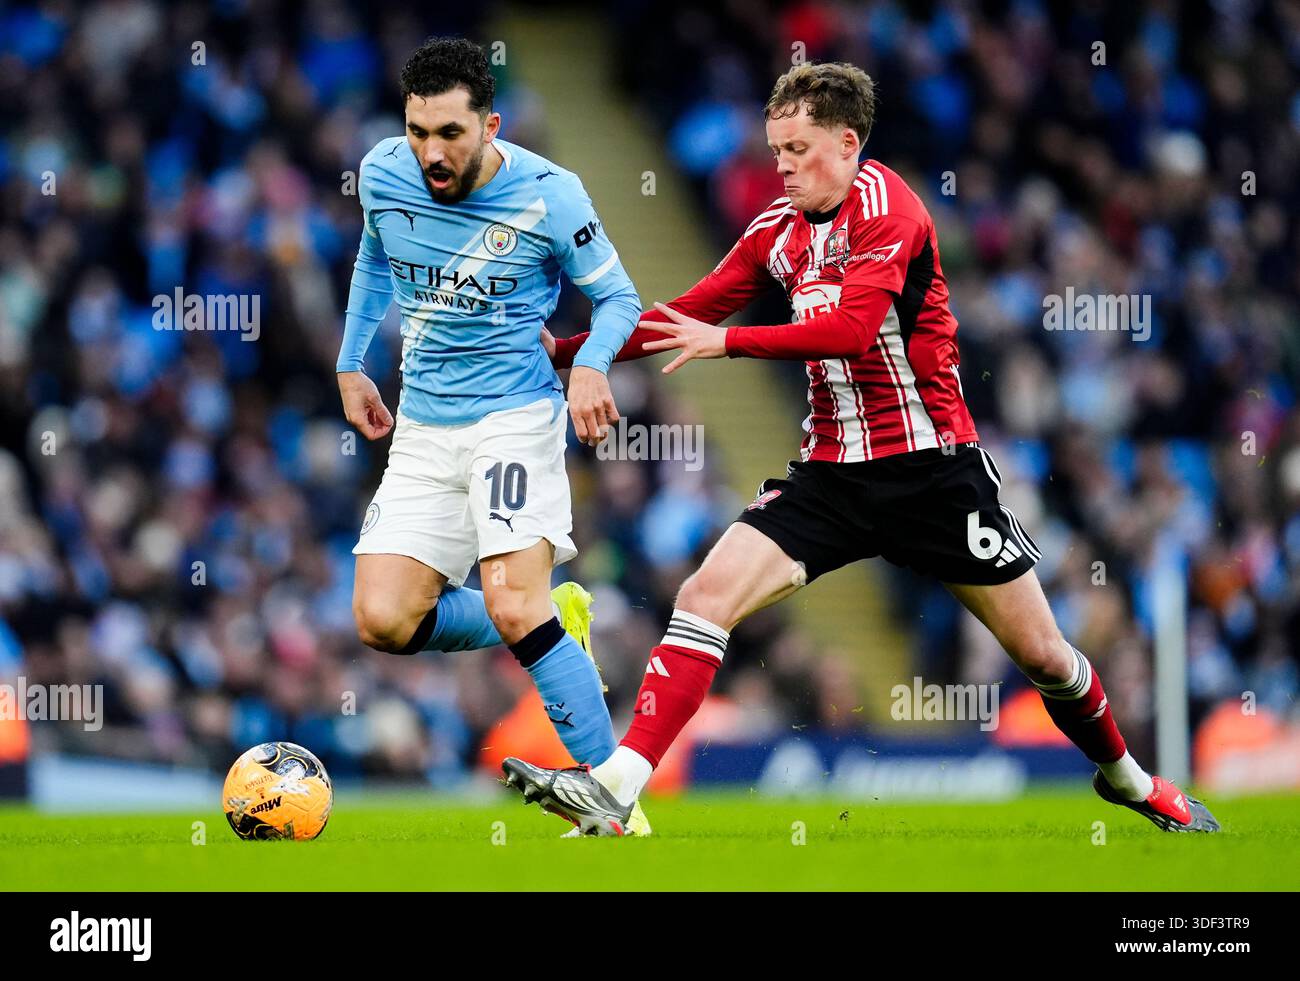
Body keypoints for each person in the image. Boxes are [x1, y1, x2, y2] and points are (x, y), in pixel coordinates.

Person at [502, 61, 1219, 836]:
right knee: (705, 596)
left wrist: (730, 343)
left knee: (1045, 655)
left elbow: (848, 328)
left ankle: (1130, 778)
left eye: (798, 149)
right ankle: (619, 784)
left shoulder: (891, 212)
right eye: (775, 151)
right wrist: (575, 350)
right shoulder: (775, 230)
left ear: (847, 145)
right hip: (831, 479)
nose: (781, 168)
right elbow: (687, 313)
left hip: (933, 477)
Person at [338, 37, 649, 834]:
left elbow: (618, 299)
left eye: (450, 133)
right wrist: (350, 362)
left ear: (491, 125)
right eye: (418, 131)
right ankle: (558, 611)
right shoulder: (382, 172)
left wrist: (591, 368)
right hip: (422, 424)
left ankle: (613, 799)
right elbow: (377, 250)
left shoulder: (553, 194)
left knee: (514, 607)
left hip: (514, 417)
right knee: (383, 618)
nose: (431, 153)